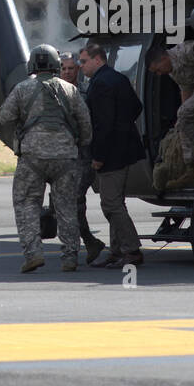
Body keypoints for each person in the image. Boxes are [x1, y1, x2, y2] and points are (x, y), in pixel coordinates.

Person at [0, 44, 92, 273]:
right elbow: (86, 125)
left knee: (26, 203)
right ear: (55, 65)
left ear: (32, 65)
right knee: (67, 207)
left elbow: (4, 117)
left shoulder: (22, 89)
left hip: (32, 158)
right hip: (65, 158)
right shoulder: (70, 90)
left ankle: (33, 254)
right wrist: (79, 145)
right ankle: (70, 257)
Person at [79, 41, 146, 267]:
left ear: (98, 60)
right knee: (116, 202)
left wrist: (98, 156)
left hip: (111, 154)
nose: (81, 66)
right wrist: (124, 126)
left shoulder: (100, 84)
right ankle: (117, 251)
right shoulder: (117, 78)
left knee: (111, 204)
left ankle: (132, 250)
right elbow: (136, 107)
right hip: (125, 150)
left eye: (84, 61)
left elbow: (103, 125)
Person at [58, 52, 106, 263]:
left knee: (74, 199)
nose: (68, 72)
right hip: (59, 158)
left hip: (82, 157)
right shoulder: (53, 93)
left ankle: (76, 248)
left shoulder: (86, 91)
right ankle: (88, 242)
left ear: (78, 69)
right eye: (64, 69)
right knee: (62, 203)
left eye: (71, 68)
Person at [146, 38, 194, 189]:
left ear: (163, 58)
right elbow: (186, 89)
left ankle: (192, 167)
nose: (159, 73)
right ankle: (191, 167)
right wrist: (181, 118)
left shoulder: (185, 51)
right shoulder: (172, 72)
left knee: (184, 113)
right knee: (183, 117)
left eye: (157, 69)